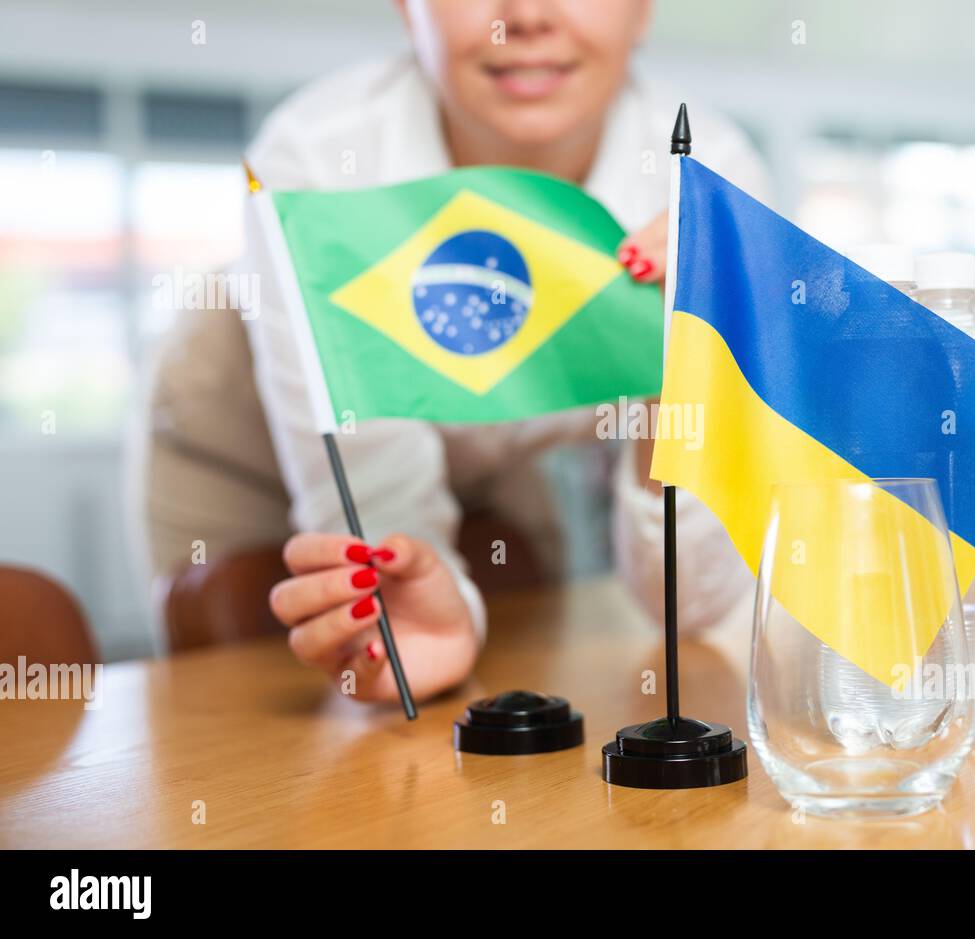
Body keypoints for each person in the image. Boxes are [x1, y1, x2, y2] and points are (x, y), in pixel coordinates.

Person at [245, 0, 771, 704]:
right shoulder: (316, 159)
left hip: (528, 457)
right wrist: (428, 617)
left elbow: (695, 607)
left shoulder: (710, 174)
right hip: (246, 444)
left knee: (527, 607)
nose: (525, 14)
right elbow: (375, 503)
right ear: (406, 9)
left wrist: (672, 381)